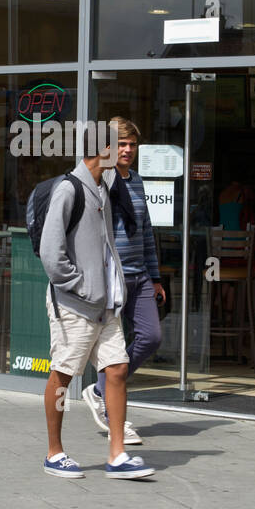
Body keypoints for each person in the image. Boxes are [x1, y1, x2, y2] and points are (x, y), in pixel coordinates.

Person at [39, 127, 153, 480]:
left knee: (117, 369)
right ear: (100, 150)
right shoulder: (69, 189)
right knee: (63, 375)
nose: (123, 151)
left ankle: (117, 454)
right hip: (75, 304)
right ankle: (54, 452)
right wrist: (81, 287)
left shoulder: (104, 187)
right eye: (115, 145)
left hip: (106, 304)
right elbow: (50, 253)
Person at [82, 118, 165, 446]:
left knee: (152, 336)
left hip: (140, 275)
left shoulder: (138, 182)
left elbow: (146, 232)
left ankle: (101, 390)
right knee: (112, 350)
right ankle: (114, 417)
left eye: (132, 145)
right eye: (121, 144)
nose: (128, 150)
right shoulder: (100, 180)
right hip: (110, 277)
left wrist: (155, 276)